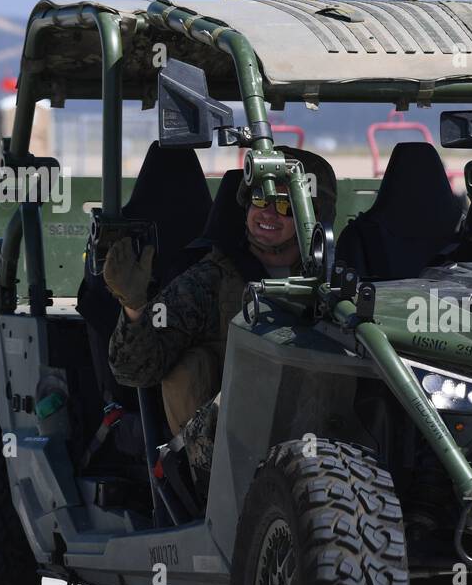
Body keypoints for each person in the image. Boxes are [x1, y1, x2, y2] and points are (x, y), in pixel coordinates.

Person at [102, 147, 334, 485]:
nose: (269, 213)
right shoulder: (210, 281)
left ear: (313, 215)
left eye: (285, 205)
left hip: (324, 449)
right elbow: (135, 369)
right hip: (228, 460)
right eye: (260, 199)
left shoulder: (336, 284)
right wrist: (134, 305)